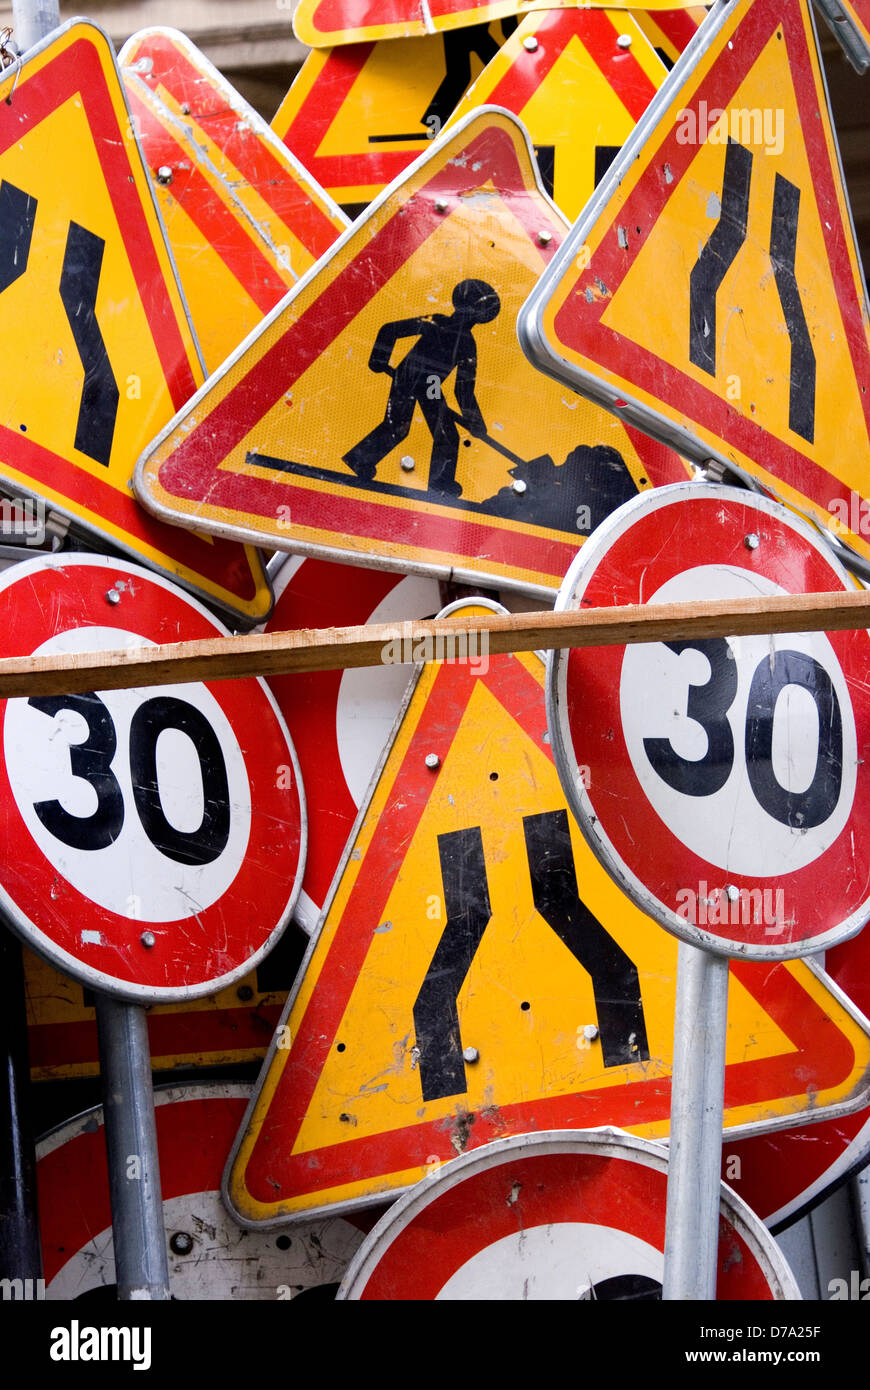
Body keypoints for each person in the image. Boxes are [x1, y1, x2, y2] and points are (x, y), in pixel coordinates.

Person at [342, 278, 500, 496]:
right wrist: (378, 358)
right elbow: (391, 330)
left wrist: (475, 421)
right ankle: (360, 460)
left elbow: (464, 388)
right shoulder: (436, 321)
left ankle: (438, 483)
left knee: (445, 435)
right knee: (397, 427)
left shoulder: (465, 343)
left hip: (431, 385)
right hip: (408, 376)